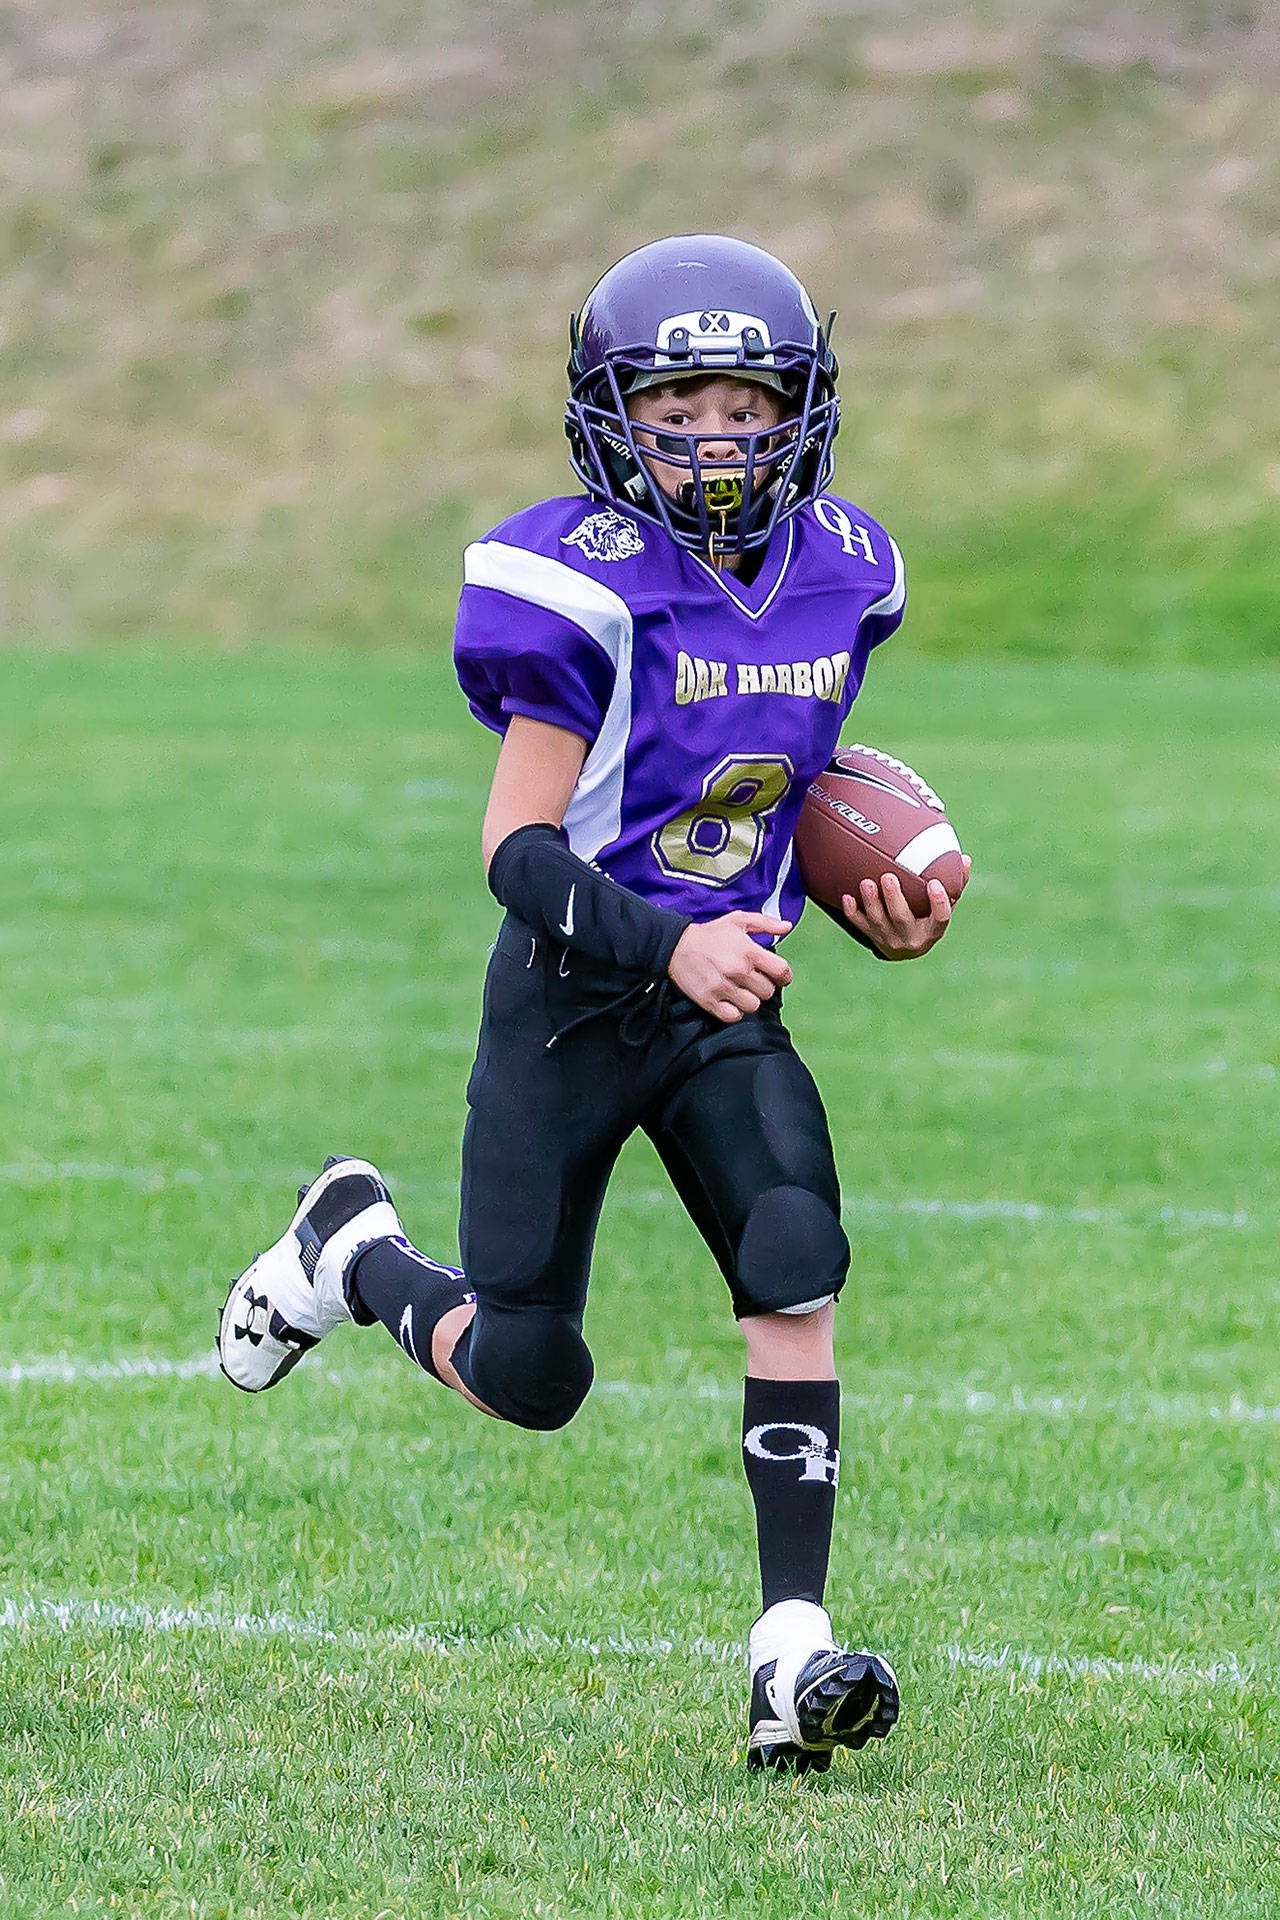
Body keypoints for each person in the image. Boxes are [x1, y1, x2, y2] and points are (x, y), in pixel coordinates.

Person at [218, 234, 967, 1772]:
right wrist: (667, 945)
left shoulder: (850, 568)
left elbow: (775, 784)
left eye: (744, 400)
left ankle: (789, 1647)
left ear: (803, 407)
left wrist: (868, 895)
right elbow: (515, 844)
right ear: (612, 414)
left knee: (796, 1256)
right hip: (571, 1000)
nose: (713, 435)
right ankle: (354, 1255)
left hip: (725, 1005)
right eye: (677, 401)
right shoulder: (570, 580)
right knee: (532, 1375)